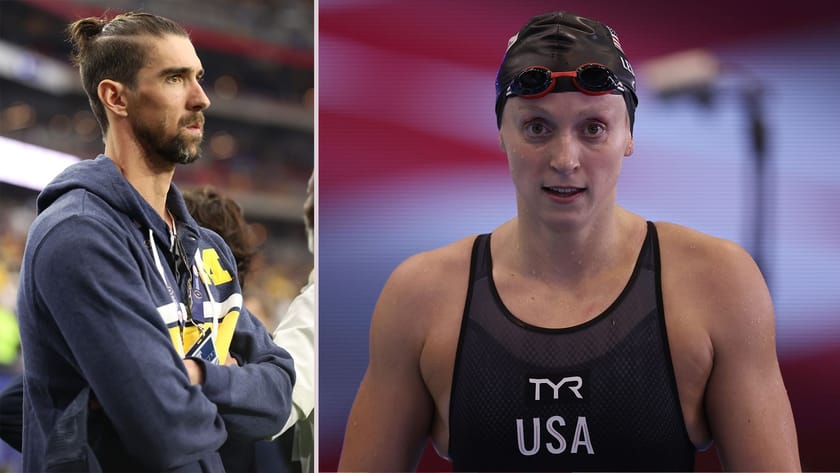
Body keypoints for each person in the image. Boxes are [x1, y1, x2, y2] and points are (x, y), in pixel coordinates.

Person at [338, 11, 801, 472]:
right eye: (537, 127)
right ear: (502, 132)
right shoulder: (421, 296)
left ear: (628, 135)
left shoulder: (717, 284)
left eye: (593, 128)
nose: (565, 159)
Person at [16, 12, 294, 472]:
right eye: (174, 78)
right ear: (115, 98)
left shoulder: (206, 249)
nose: (201, 98)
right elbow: (167, 430)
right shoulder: (80, 236)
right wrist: (229, 389)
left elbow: (278, 396)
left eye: (198, 78)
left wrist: (196, 375)